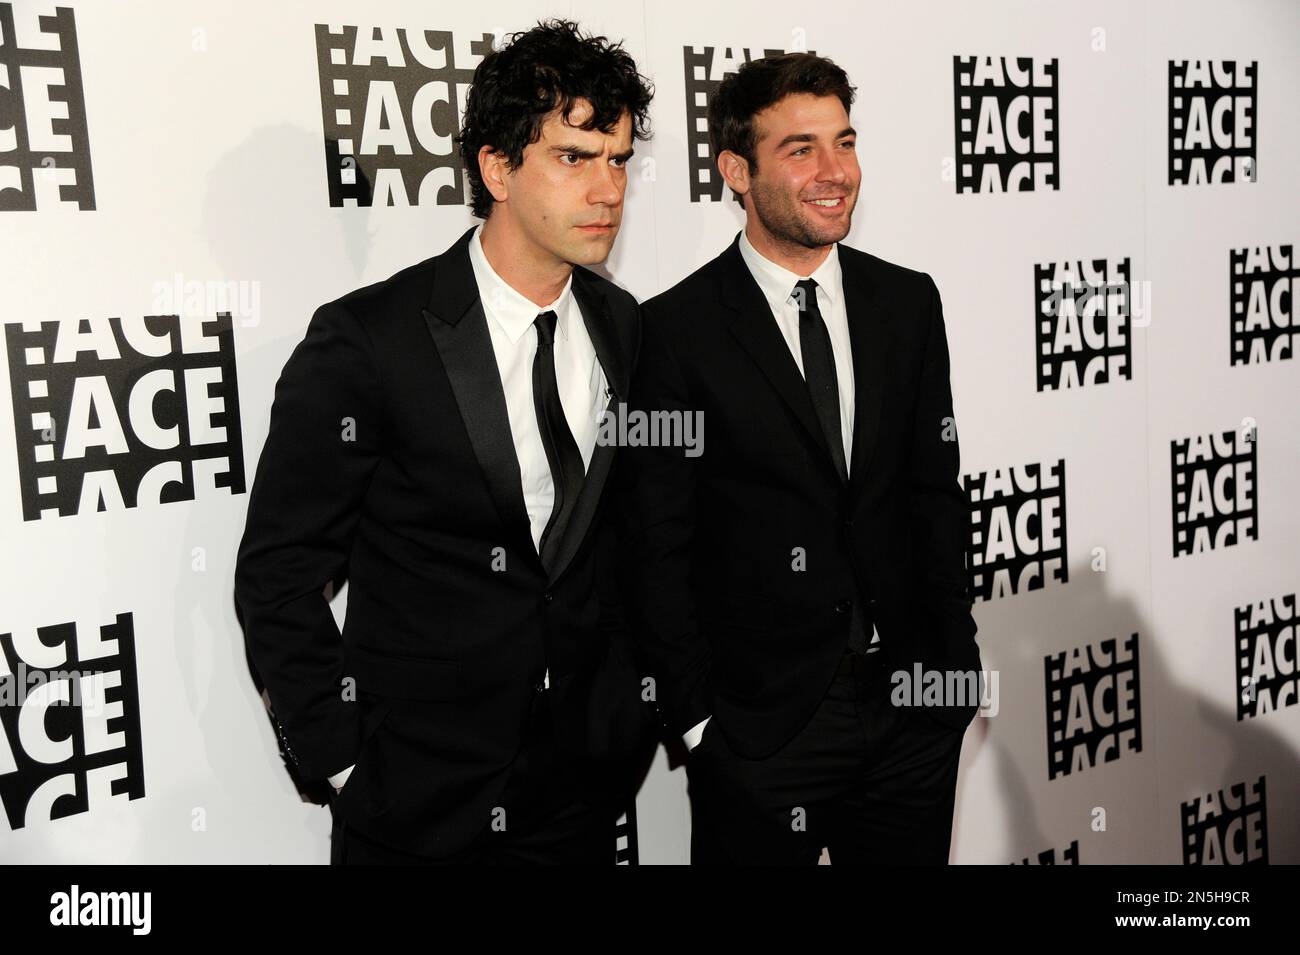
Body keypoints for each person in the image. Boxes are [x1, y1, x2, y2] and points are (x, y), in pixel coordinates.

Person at [234, 18, 655, 864]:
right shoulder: (368, 340)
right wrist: (348, 764)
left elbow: (622, 547)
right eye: (574, 158)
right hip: (416, 808)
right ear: (496, 168)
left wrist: (630, 718)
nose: (607, 188)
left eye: (616, 159)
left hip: (582, 791)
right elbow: (279, 574)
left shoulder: (624, 327)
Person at [620, 52, 983, 864]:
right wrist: (700, 720)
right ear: (736, 172)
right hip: (760, 729)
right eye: (801, 149)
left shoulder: (907, 302)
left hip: (912, 710)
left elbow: (934, 493)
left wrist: (954, 669)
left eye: (845, 142)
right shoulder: (674, 333)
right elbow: (656, 540)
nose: (835, 172)